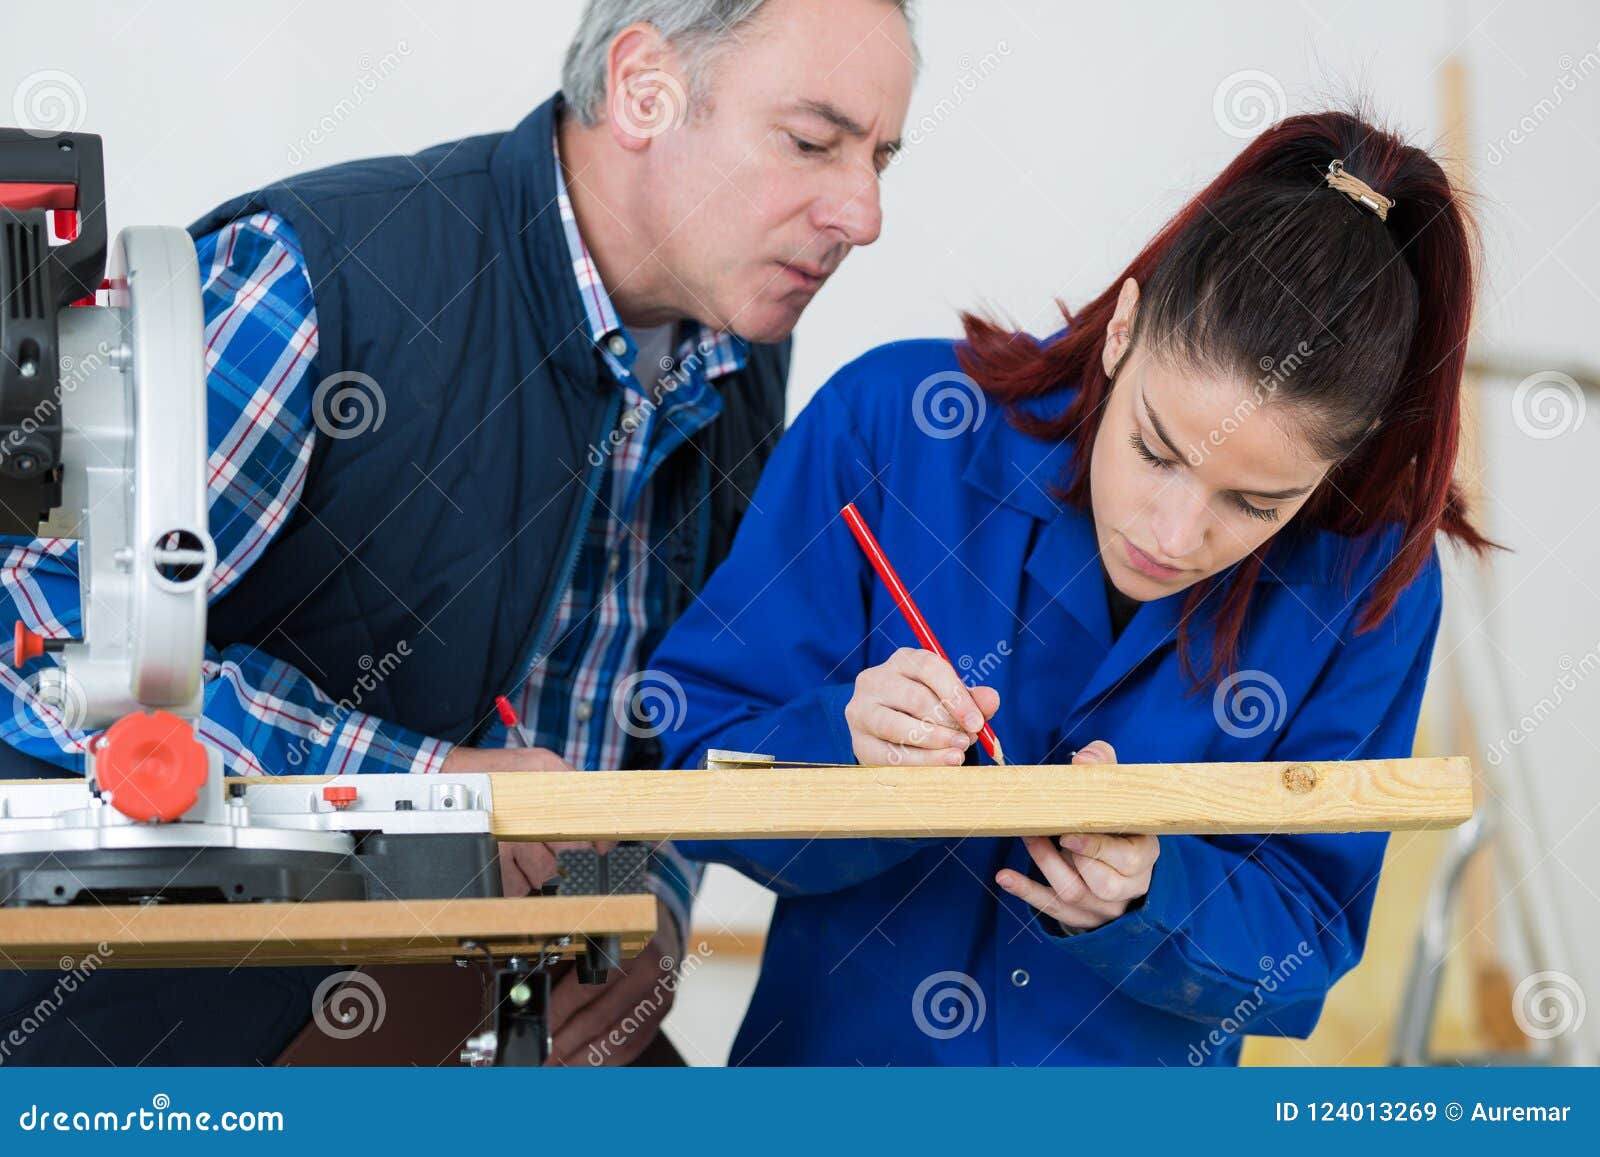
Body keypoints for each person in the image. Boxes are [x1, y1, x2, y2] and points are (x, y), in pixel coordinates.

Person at [0, 0, 915, 1066]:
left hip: (483, 1016)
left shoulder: (736, 352)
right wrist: (425, 792)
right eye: (812, 143)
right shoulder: (327, 273)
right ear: (640, 87)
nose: (862, 212)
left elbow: (635, 706)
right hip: (161, 1021)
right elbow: (32, 628)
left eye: (881, 159)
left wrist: (632, 908)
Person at [648, 108, 1493, 1065]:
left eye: (1256, 504)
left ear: (1342, 464)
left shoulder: (1369, 583)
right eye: (1155, 450)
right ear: (1123, 330)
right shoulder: (898, 427)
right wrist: (844, 749)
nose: (1171, 536)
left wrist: (1151, 894)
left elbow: (1312, 927)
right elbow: (691, 759)